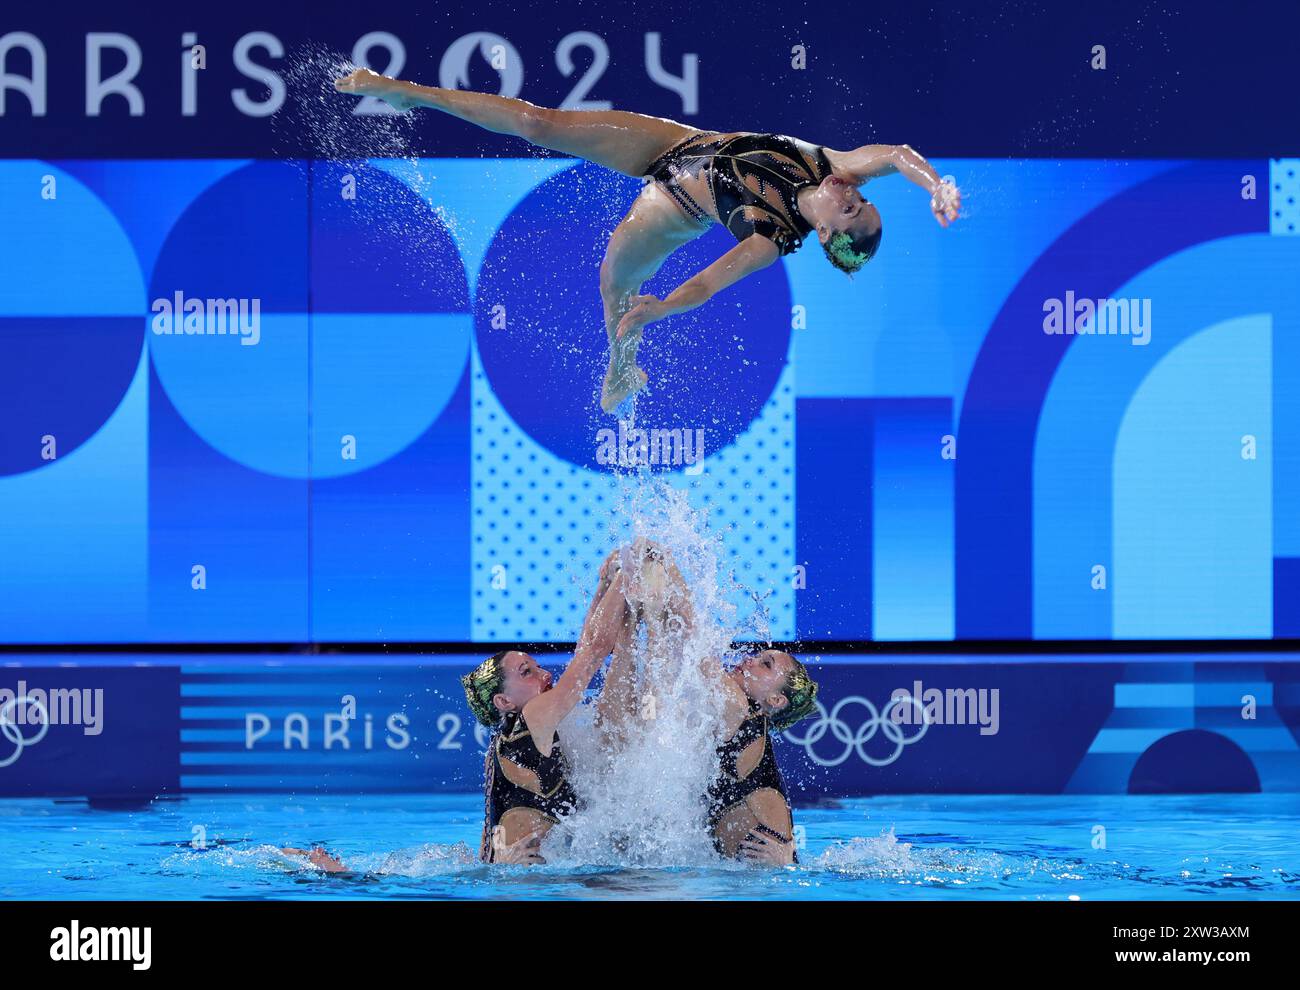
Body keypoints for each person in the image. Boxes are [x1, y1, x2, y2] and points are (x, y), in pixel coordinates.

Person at [333, 67, 961, 413]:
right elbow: (898, 153)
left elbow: (708, 283)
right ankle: (402, 91)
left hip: (674, 204)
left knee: (617, 286)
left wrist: (662, 309)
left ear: (825, 233)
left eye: (852, 215)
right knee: (539, 123)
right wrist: (934, 185)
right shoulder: (831, 162)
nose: (854, 197)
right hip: (676, 144)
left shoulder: (771, 238)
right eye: (863, 200)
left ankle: (621, 369)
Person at [600, 540, 818, 864]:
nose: (750, 660)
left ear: (775, 699)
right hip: (748, 876)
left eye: (766, 665)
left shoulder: (738, 709)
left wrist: (664, 561)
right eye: (759, 656)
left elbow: (692, 631)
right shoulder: (737, 719)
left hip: (763, 883)